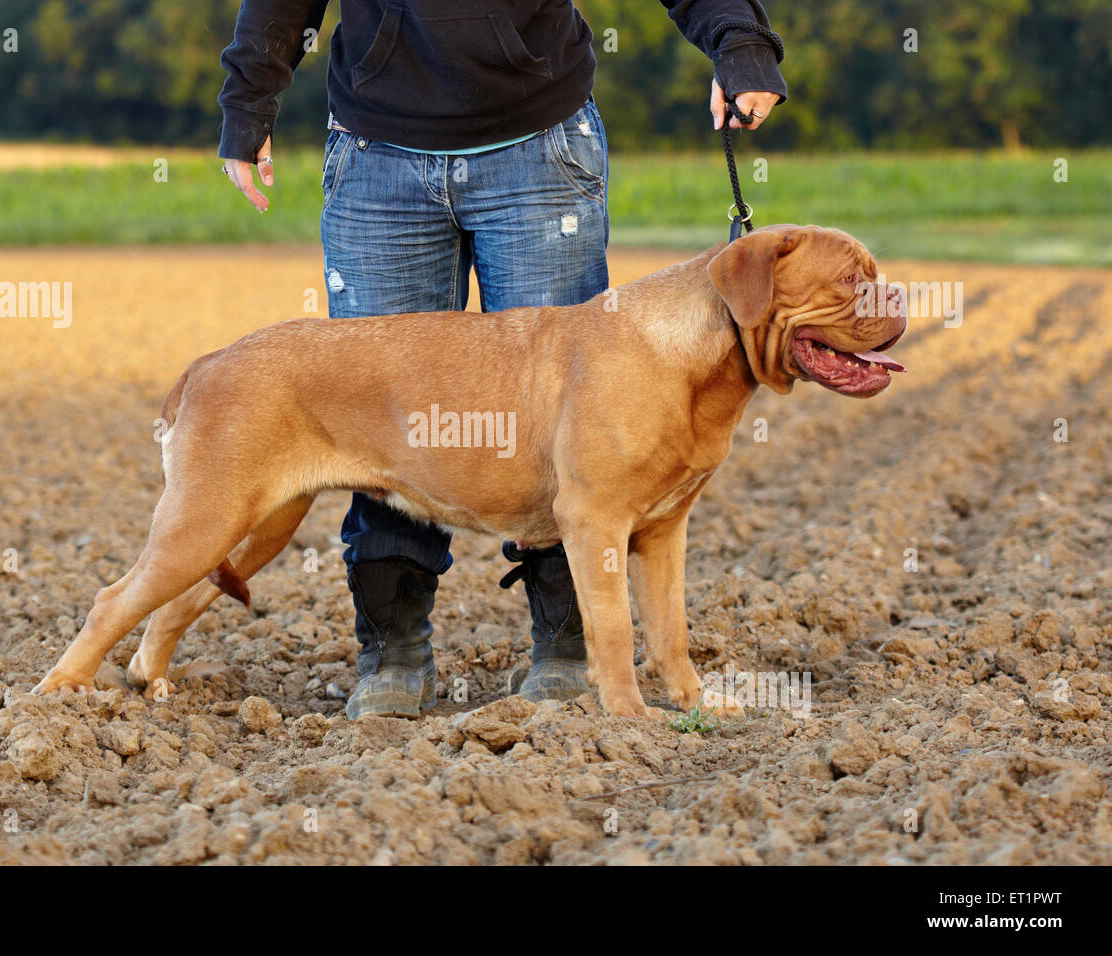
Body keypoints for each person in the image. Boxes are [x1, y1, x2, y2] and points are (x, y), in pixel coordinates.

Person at [218, 0, 787, 719]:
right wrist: (249, 98)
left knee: (576, 436)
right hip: (376, 153)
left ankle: (562, 649)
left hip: (538, 146)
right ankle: (393, 650)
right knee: (385, 423)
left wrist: (738, 43)